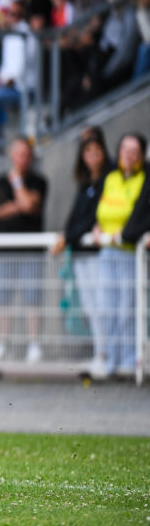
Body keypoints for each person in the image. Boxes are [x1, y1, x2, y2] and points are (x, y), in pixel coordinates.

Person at [51, 128, 112, 378]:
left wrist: (68, 237)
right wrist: (66, 235)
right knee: (89, 305)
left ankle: (107, 354)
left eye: (97, 151)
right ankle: (100, 353)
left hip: (96, 253)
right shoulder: (85, 182)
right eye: (88, 151)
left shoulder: (107, 180)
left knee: (102, 305)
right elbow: (77, 216)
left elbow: (92, 218)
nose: (93, 156)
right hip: (80, 254)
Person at [91, 133, 147, 379]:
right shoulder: (111, 178)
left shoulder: (144, 181)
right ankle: (108, 358)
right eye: (125, 149)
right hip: (108, 251)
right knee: (107, 308)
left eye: (134, 151)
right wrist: (97, 227)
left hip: (130, 253)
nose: (128, 155)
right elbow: (102, 211)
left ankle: (128, 359)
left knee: (128, 309)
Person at [0, 138, 48, 365]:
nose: (24, 159)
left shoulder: (38, 181)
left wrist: (17, 184)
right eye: (19, 154)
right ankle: (2, 342)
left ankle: (34, 344)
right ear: (12, 155)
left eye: (27, 154)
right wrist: (20, 202)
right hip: (5, 250)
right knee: (3, 299)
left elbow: (29, 205)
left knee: (33, 299)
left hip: (31, 251)